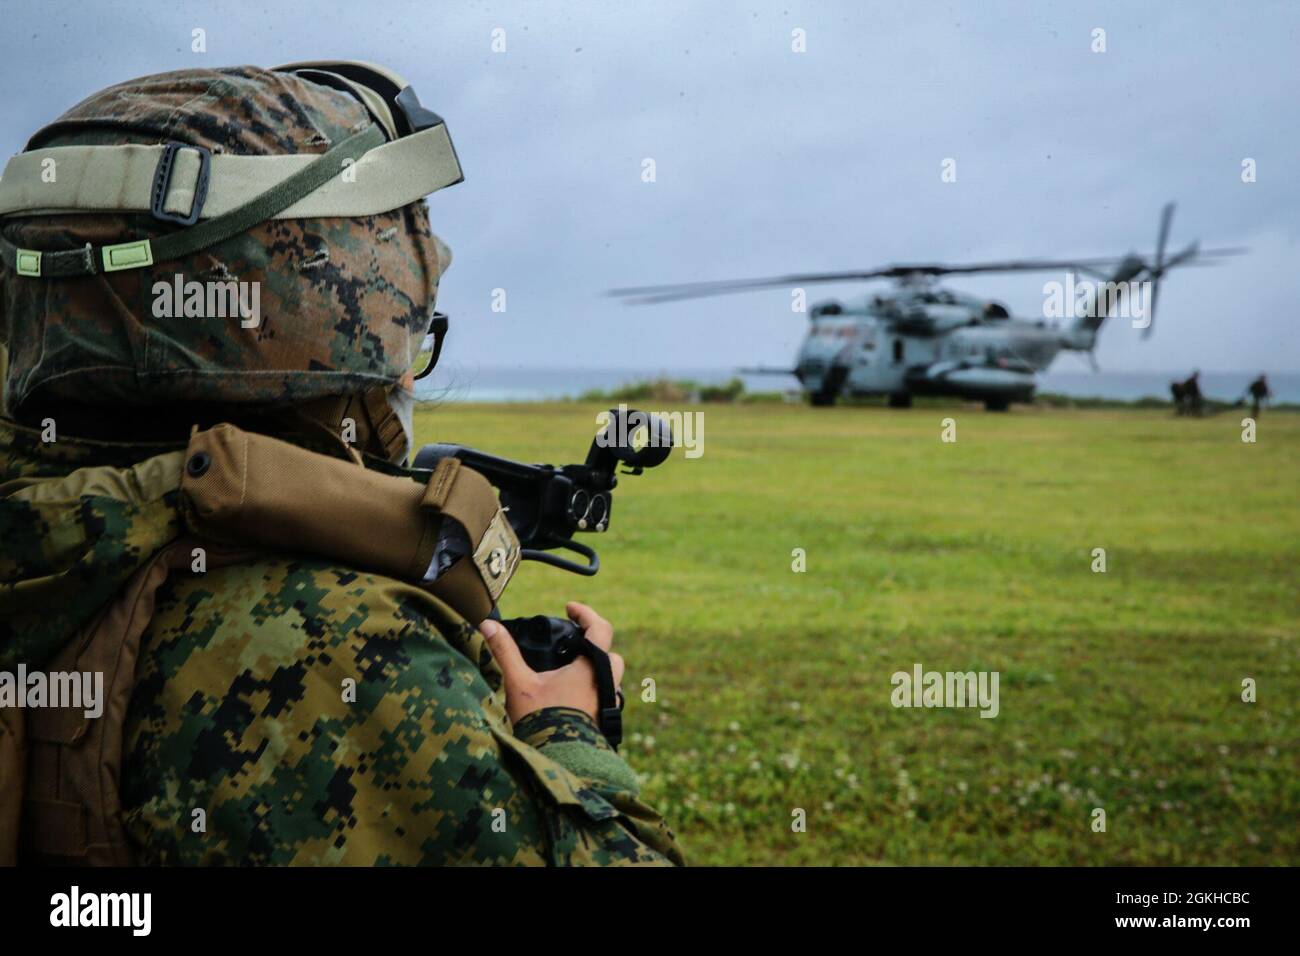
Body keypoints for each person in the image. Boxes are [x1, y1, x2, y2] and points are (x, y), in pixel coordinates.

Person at [0, 63, 682, 866]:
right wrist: (566, 732)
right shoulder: (342, 647)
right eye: (409, 339)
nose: (404, 377)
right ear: (321, 322)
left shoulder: (41, 526)